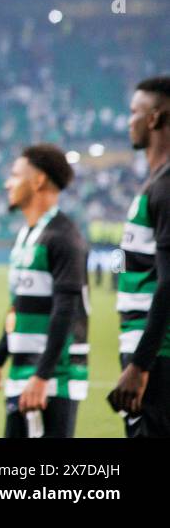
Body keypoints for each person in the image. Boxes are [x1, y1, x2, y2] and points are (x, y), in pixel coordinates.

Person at [0, 144, 89, 437]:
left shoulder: (63, 237)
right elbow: (20, 307)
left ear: (38, 181)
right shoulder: (28, 235)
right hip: (22, 374)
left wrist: (42, 375)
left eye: (15, 175)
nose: (8, 183)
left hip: (52, 380)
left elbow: (66, 310)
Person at [109, 74, 170, 436]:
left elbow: (169, 282)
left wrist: (140, 365)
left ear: (156, 118)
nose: (128, 120)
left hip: (157, 359)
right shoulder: (155, 182)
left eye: (134, 111)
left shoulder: (165, 187)